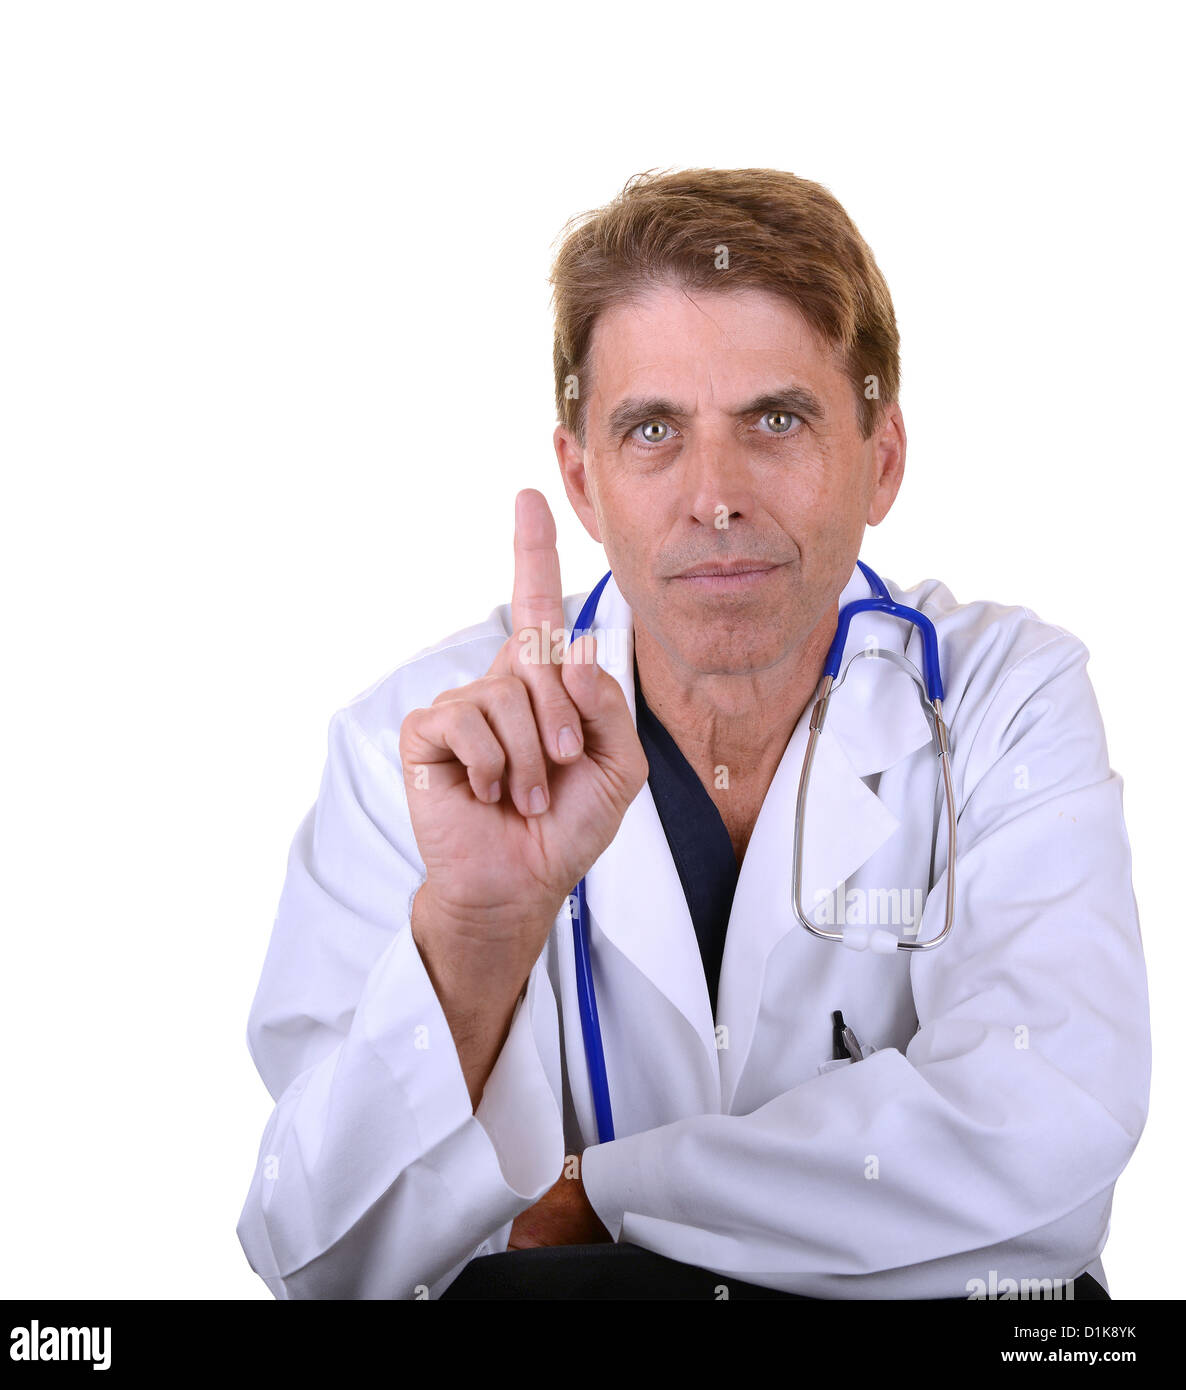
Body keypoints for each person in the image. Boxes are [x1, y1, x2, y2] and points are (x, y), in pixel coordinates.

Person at [236, 168, 1151, 1300]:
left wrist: (603, 1194)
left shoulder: (1002, 696)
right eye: (652, 429)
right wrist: (474, 935)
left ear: (881, 456)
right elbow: (317, 1260)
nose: (713, 494)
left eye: (775, 420)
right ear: (582, 478)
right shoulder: (417, 746)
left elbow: (1051, 1147)